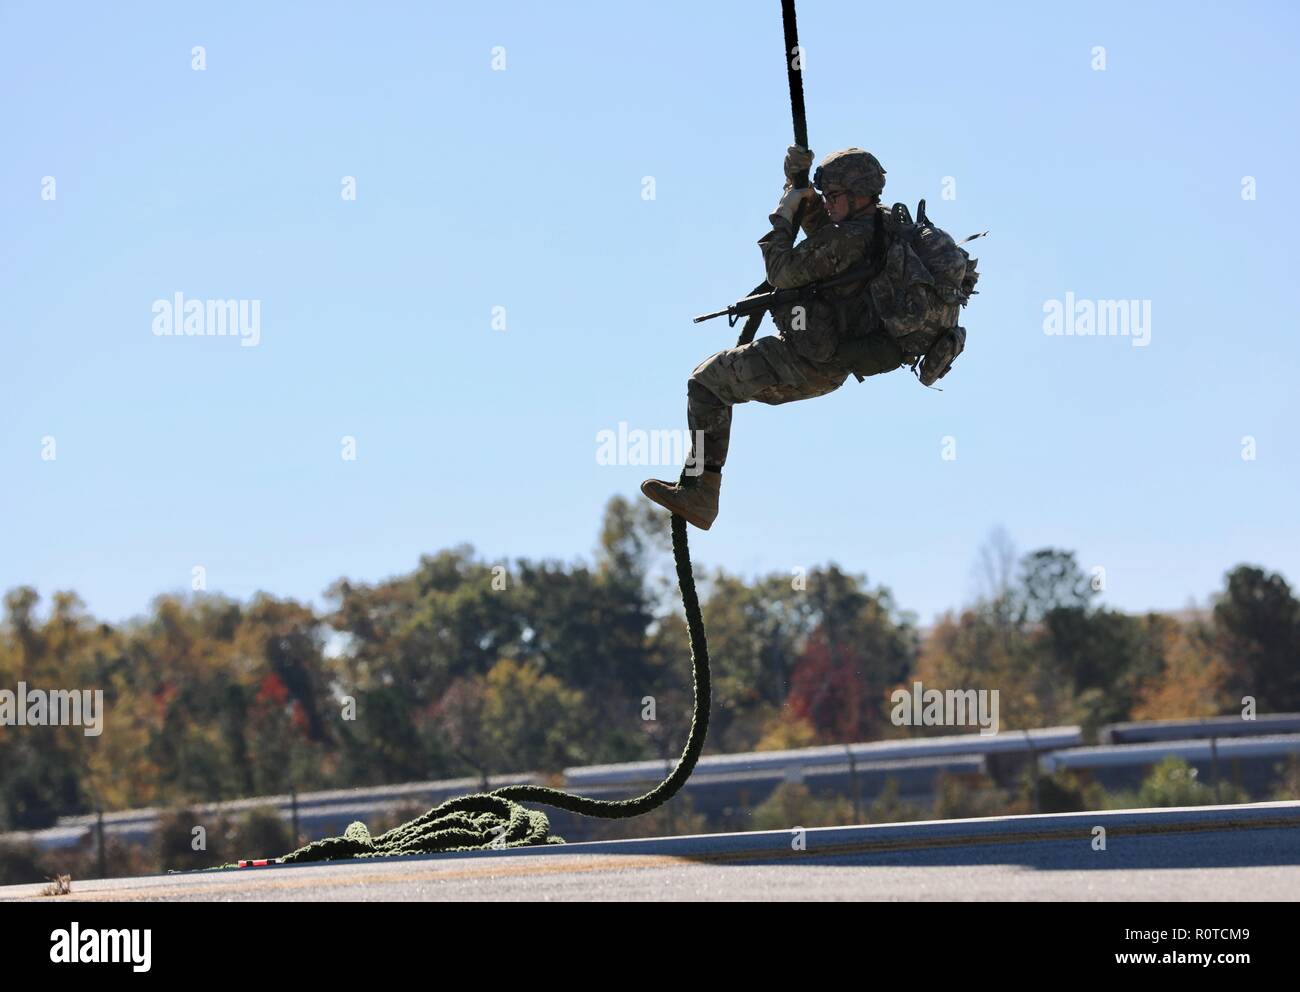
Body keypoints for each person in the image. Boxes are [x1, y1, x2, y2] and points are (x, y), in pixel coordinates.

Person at [640, 146, 906, 529]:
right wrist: (798, 185)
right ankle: (700, 490)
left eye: (834, 196)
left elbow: (782, 270)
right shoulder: (877, 226)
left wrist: (783, 214)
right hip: (825, 356)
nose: (828, 204)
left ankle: (702, 493)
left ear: (858, 194)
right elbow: (824, 237)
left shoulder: (851, 239)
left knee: (707, 383)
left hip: (808, 359)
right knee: (714, 384)